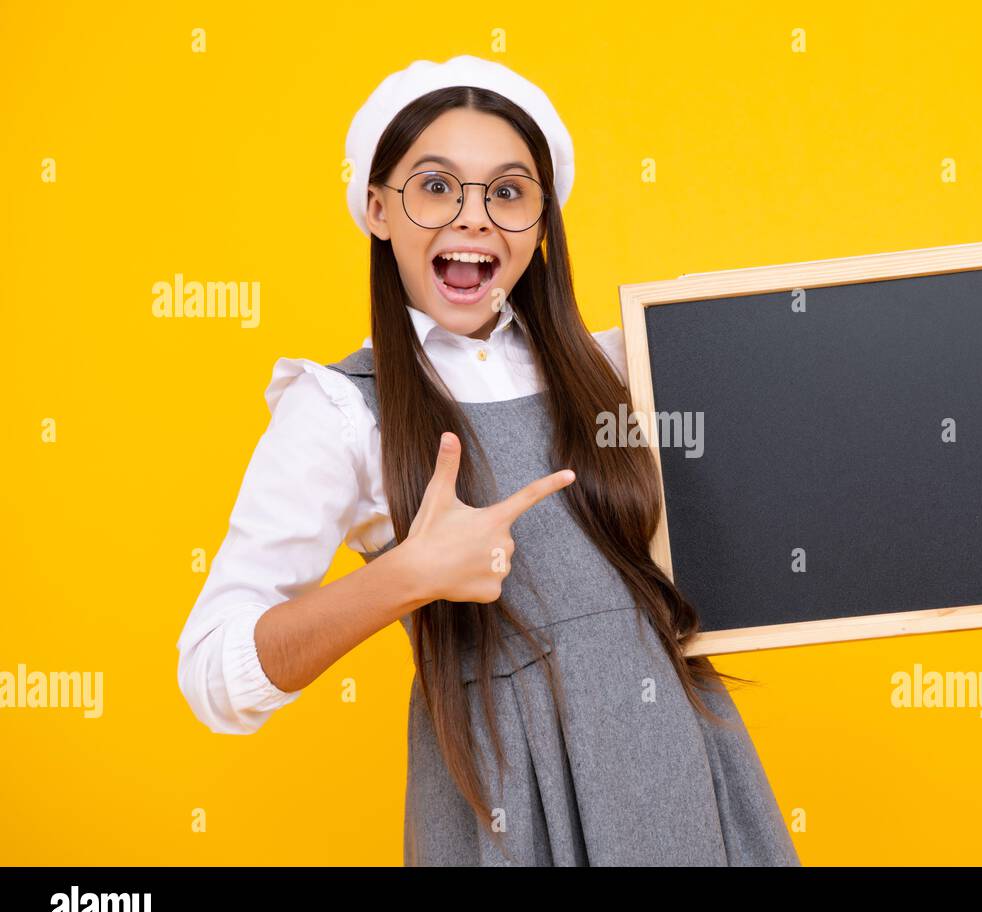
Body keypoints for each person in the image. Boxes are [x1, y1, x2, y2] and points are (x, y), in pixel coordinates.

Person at [176, 55, 807, 866]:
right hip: (511, 799)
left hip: (684, 771)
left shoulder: (622, 365)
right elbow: (213, 677)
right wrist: (407, 574)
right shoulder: (337, 410)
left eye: (508, 192)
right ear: (377, 208)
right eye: (435, 186)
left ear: (541, 222)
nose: (473, 218)